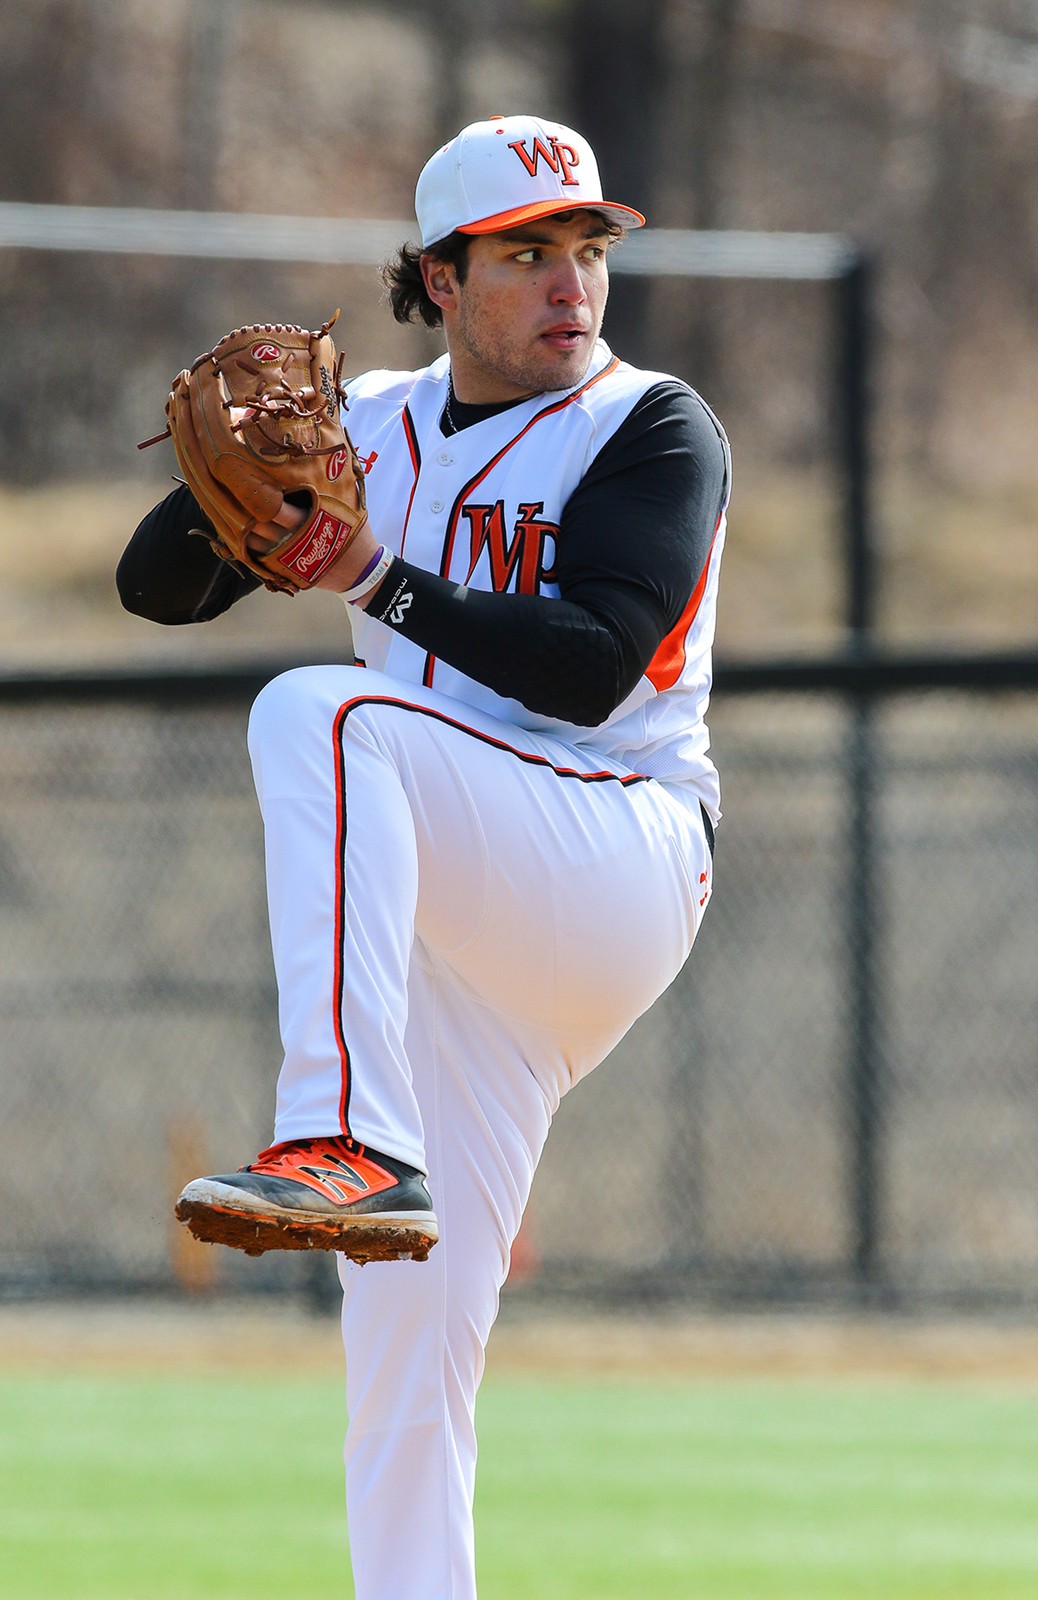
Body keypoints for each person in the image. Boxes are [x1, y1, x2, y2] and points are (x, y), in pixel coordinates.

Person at [118, 112, 730, 1600]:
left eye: (586, 249)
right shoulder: (371, 426)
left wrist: (374, 574)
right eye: (526, 256)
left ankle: (340, 1132)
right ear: (440, 281)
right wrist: (232, 514)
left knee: (328, 717)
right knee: (400, 1365)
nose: (571, 282)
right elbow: (153, 590)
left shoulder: (650, 424)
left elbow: (589, 666)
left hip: (614, 853)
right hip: (458, 934)